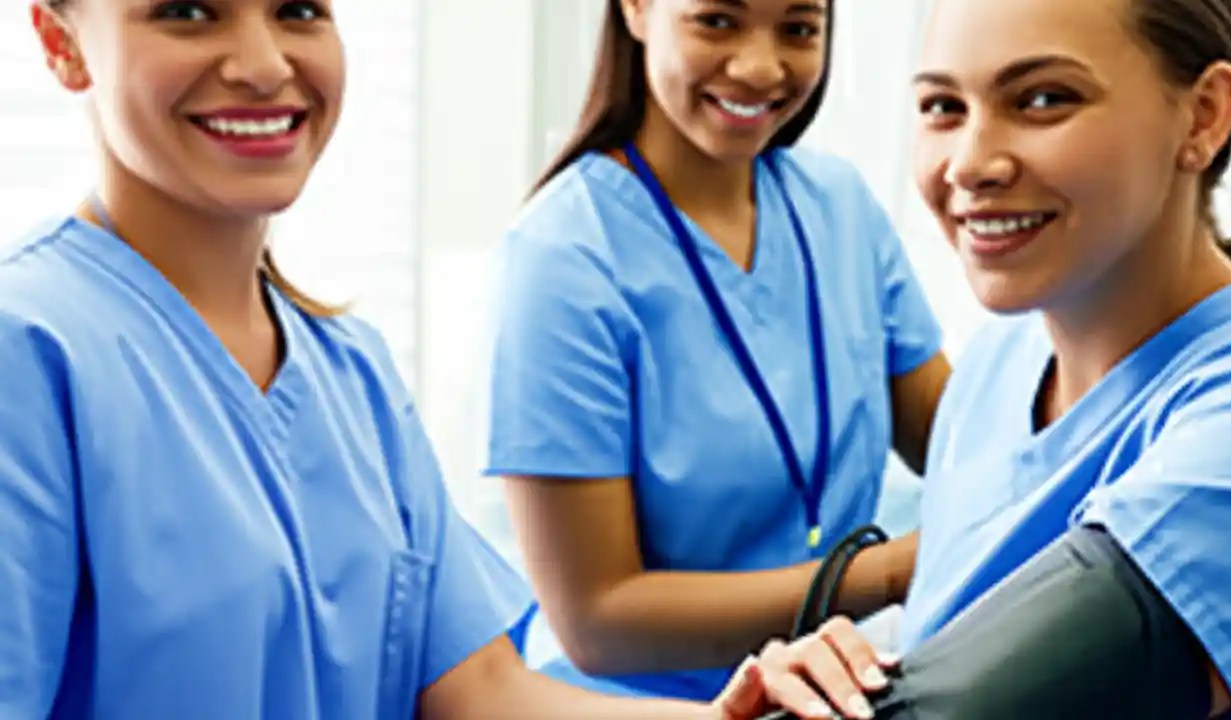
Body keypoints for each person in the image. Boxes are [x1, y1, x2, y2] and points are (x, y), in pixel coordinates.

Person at [0, 2, 890, 719]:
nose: (264, 64)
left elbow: (479, 692)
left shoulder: (352, 377)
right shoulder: (31, 353)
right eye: (188, 12)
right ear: (60, 42)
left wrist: (731, 716)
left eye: (300, 10)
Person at [766, 0, 1231, 716]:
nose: (970, 164)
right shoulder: (998, 362)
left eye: (1043, 100)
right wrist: (831, 681)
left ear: (1203, 116)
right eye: (943, 107)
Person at [483, 0, 950, 707]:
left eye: (798, 29)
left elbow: (958, 441)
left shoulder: (840, 206)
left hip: (831, 692)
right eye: (718, 20)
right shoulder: (563, 256)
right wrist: (884, 575)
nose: (761, 67)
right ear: (637, 9)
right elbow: (597, 621)